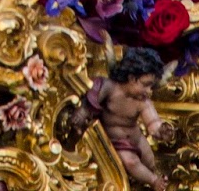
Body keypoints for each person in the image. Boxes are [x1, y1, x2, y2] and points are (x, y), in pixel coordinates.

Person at [73, 49, 173, 189]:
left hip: (136, 138)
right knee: (131, 162)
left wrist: (161, 130)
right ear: (132, 78)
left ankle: (148, 178)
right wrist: (83, 111)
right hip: (115, 140)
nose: (149, 91)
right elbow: (92, 98)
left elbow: (152, 121)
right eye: (146, 84)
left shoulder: (142, 101)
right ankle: (154, 181)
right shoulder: (110, 88)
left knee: (150, 160)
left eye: (151, 86)